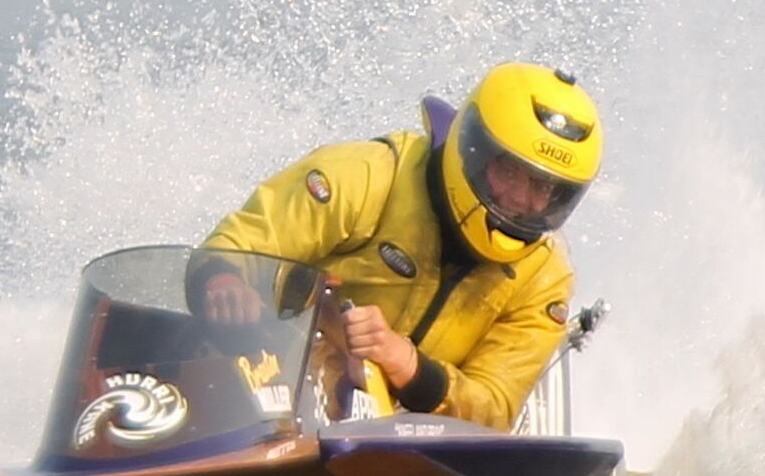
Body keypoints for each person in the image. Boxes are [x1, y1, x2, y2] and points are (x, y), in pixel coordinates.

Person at [192, 62, 602, 429]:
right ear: (474, 150)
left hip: (410, 463)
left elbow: (494, 406)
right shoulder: (368, 176)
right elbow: (238, 244)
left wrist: (406, 366)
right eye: (511, 172)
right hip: (264, 405)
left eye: (544, 188)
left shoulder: (545, 278)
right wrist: (224, 282)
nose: (520, 200)